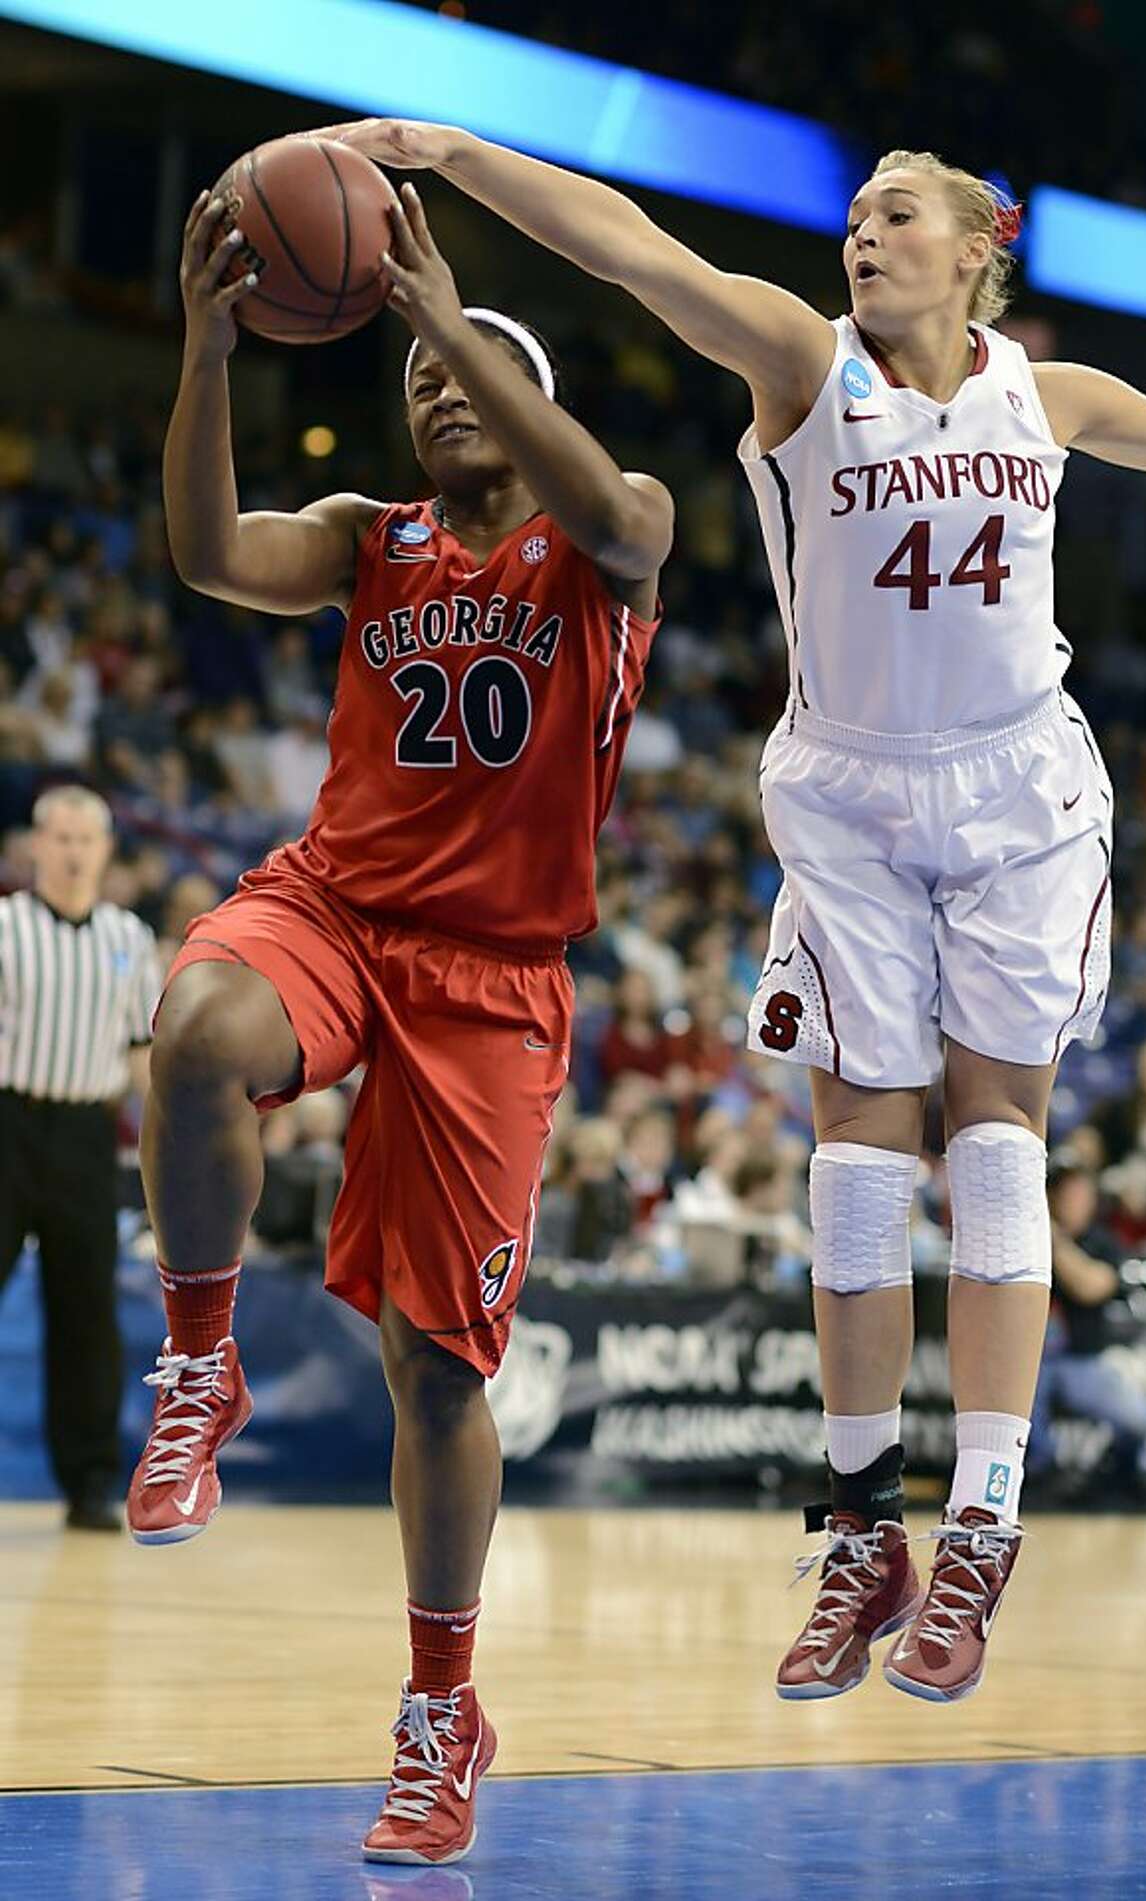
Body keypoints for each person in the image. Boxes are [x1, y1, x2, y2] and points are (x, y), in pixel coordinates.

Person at [317, 117, 1146, 1703]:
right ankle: (866, 1532)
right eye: (857, 214)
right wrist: (443, 152)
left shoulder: (1047, 397)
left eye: (898, 212)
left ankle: (982, 1527)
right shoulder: (804, 360)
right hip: (852, 794)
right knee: (858, 1179)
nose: (865, 233)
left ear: (977, 249)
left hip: (1018, 793)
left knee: (996, 1149)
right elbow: (632, 248)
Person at [124, 182, 671, 1869]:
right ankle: (199, 1356)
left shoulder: (605, 532)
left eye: (468, 370)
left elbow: (613, 503)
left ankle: (444, 1711)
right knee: (199, 1023)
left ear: (523, 392)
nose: (432, 391)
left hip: (494, 982)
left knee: (437, 1370)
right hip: (344, 911)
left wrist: (447, 319)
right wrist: (211, 349)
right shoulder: (377, 537)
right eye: (417, 374)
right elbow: (212, 553)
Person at [0, 785, 159, 1531]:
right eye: (57, 837)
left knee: (86, 1313)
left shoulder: (128, 939)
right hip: (7, 1122)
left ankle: (90, 1480)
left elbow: (141, 1060)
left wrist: (169, 1150)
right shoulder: (4, 927)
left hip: (86, 1139)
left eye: (83, 839)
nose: (69, 851)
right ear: (35, 845)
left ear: (104, 849)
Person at [1027, 1155, 1146, 1503]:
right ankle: (1039, 1479)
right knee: (1019, 1405)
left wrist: (1054, 1241)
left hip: (1082, 1361)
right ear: (1051, 1195)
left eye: (1082, 1193)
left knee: (1139, 1419)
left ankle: (1119, 1473)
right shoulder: (1024, 1237)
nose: (1076, 1200)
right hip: (1032, 1359)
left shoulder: (1102, 1242)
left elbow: (1092, 1285)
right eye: (1068, 1192)